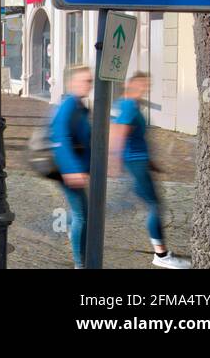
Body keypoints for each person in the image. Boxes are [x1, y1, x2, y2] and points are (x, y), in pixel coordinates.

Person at [110, 72, 190, 268]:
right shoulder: (129, 105)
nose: (145, 89)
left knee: (128, 203)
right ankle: (161, 256)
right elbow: (119, 132)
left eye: (147, 86)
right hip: (135, 162)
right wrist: (114, 160)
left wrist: (151, 162)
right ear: (130, 86)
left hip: (139, 162)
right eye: (141, 85)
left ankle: (75, 221)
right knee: (154, 206)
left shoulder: (130, 104)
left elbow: (133, 136)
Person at [51, 66, 93, 268]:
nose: (89, 84)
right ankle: (80, 263)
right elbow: (60, 138)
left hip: (77, 169)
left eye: (90, 81)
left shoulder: (80, 107)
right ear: (73, 83)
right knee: (82, 215)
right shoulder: (69, 105)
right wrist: (71, 170)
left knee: (81, 212)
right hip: (68, 170)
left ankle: (70, 229)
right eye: (85, 80)